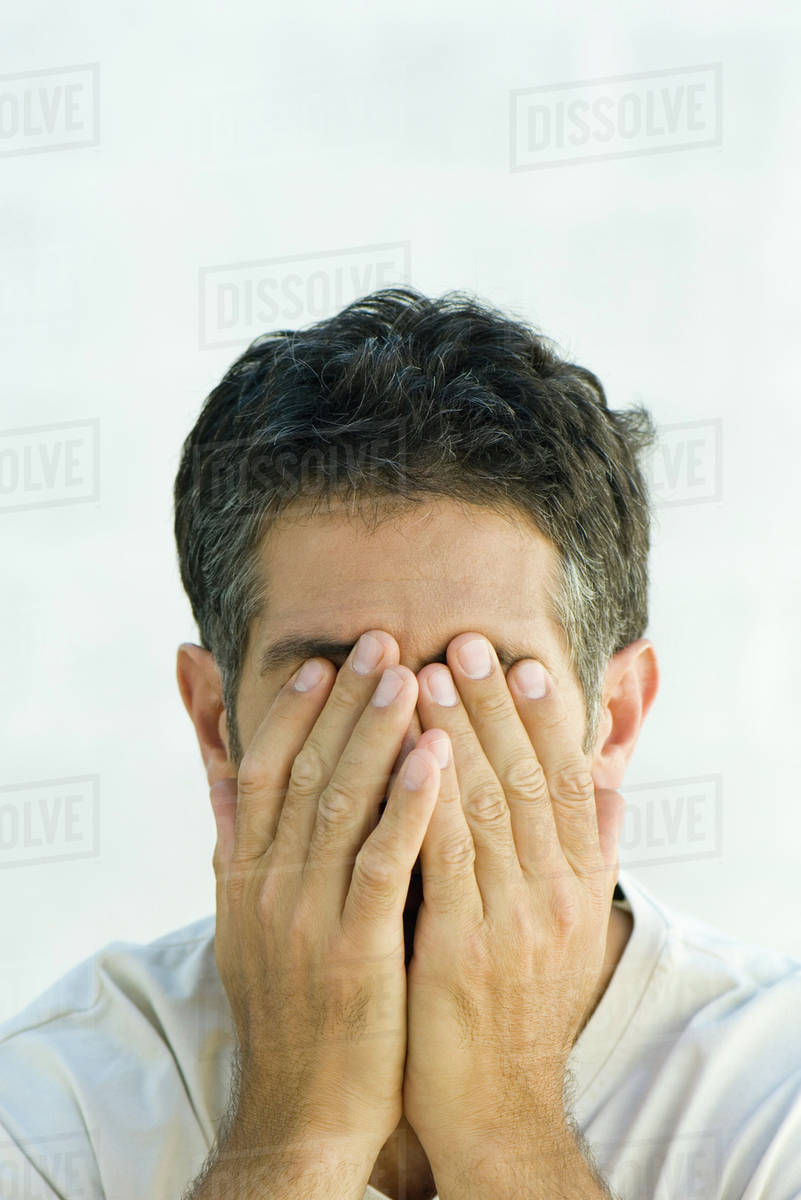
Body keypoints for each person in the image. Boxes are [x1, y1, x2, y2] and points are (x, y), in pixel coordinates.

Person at [1, 288, 799, 1200]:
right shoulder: (45, 1112)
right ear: (218, 727)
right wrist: (294, 1131)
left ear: (609, 722)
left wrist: (505, 1130)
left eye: (480, 687)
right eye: (340, 687)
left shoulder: (774, 1094)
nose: (417, 763)